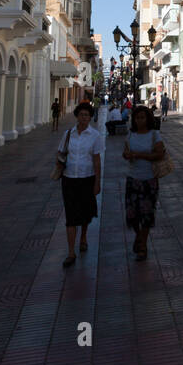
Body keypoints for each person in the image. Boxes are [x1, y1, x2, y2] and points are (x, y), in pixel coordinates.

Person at [60, 101, 102, 267]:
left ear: (90, 117)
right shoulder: (68, 134)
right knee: (70, 215)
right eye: (82, 115)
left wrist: (97, 182)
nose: (84, 118)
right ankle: (71, 252)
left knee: (85, 212)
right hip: (69, 179)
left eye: (87, 115)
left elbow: (97, 161)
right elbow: (60, 151)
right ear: (77, 116)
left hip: (87, 178)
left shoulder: (95, 136)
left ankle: (83, 236)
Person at [122, 105, 165, 261]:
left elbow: (159, 154)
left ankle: (143, 245)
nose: (140, 120)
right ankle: (139, 237)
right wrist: (127, 155)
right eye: (137, 118)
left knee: (146, 214)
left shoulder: (155, 135)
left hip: (149, 179)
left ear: (148, 119)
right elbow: (125, 152)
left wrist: (139, 155)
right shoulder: (130, 135)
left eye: (143, 117)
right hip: (133, 178)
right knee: (132, 214)